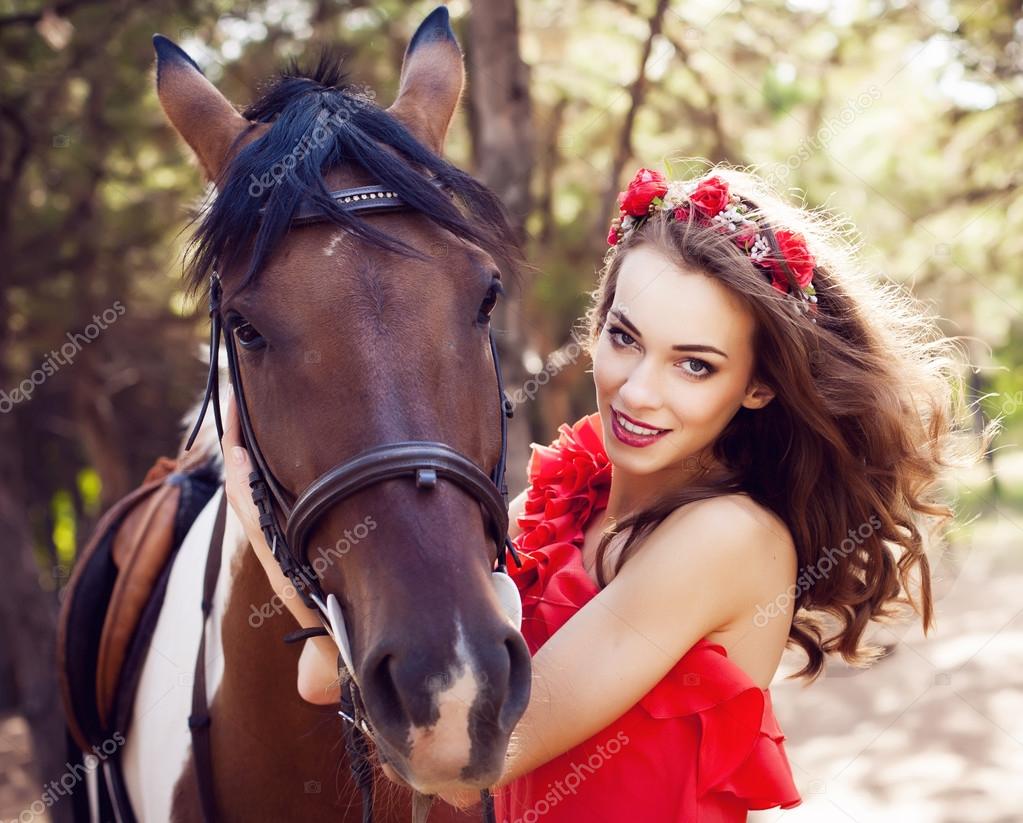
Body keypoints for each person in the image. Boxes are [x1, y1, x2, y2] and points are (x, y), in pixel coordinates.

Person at [222, 164, 975, 821]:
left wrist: (249, 502)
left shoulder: (729, 539)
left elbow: (455, 761)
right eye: (624, 337)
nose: (637, 392)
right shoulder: (557, 507)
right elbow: (323, 673)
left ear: (759, 384)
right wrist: (279, 519)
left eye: (695, 365)